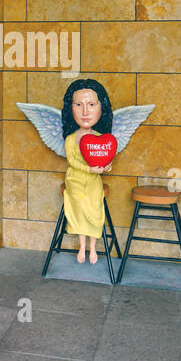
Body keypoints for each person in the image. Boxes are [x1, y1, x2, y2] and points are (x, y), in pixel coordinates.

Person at [61, 78, 113, 264]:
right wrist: (89, 168)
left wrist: (106, 166)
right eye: (78, 104)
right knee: (80, 202)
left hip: (93, 180)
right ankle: (82, 246)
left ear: (101, 108)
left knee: (95, 204)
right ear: (71, 108)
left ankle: (93, 247)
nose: (85, 111)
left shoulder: (102, 138)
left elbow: (105, 156)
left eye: (91, 104)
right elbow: (72, 162)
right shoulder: (70, 139)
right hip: (75, 179)